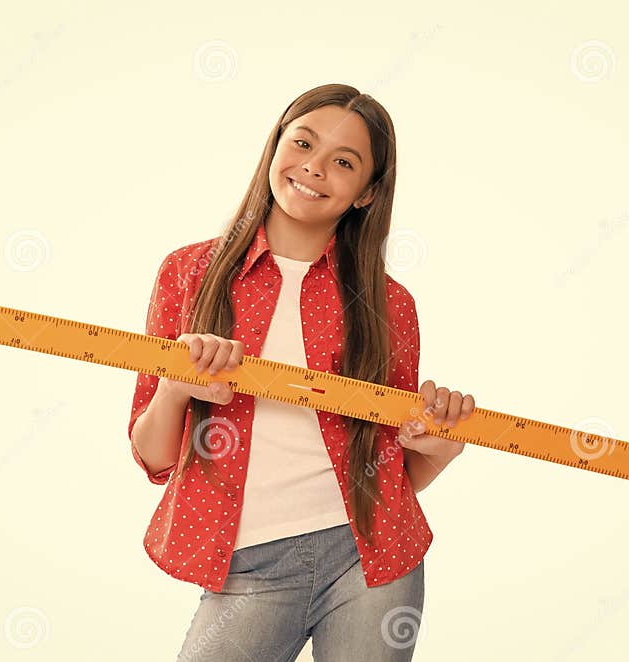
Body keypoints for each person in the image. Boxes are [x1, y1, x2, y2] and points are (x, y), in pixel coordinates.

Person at [127, 83, 475, 661]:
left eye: (344, 162)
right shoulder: (189, 273)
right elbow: (154, 456)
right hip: (247, 568)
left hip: (371, 561)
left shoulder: (390, 305)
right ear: (275, 148)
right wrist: (174, 387)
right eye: (303, 143)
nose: (314, 168)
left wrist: (438, 448)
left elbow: (392, 473)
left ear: (366, 193)